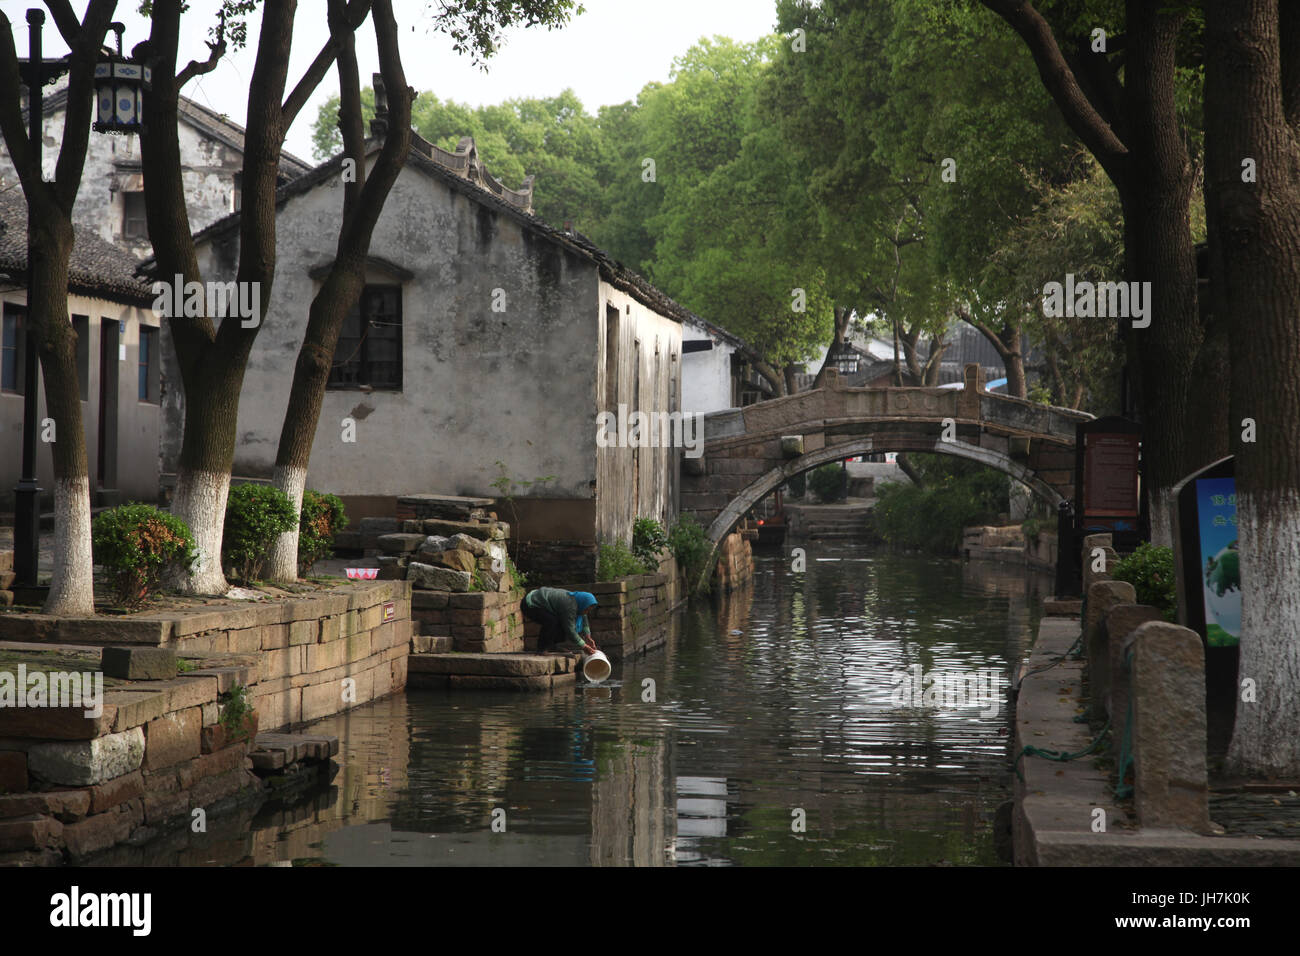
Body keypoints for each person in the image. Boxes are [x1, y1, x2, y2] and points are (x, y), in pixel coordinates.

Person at [521, 588, 599, 654]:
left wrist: (588, 637)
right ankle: (541, 649)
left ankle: (552, 646)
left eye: (588, 610)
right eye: (587, 609)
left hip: (541, 602)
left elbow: (584, 617)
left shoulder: (578, 602)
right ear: (583, 604)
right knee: (551, 621)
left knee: (559, 621)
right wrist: (584, 646)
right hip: (530, 603)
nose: (586, 612)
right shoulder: (569, 605)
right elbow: (570, 630)